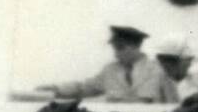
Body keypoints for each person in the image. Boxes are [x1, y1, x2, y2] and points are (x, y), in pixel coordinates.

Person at [37, 26, 169, 102]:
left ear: (136, 46)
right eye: (115, 48)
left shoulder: (158, 71)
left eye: (120, 48)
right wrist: (55, 89)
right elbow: (83, 88)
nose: (116, 54)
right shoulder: (110, 71)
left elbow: (173, 104)